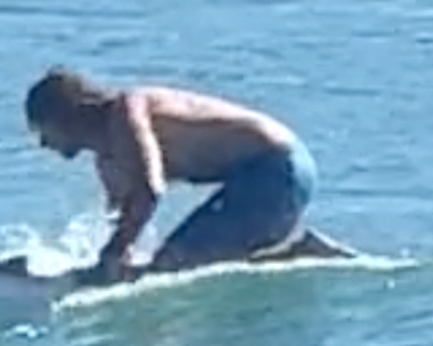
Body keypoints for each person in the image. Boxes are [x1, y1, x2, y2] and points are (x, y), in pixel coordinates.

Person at [23, 65, 337, 286]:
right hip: (260, 176)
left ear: (66, 115)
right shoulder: (107, 159)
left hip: (277, 169)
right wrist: (109, 259)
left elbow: (149, 190)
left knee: (172, 266)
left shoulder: (128, 112)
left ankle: (305, 256)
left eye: (42, 129)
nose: (43, 142)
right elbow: (125, 218)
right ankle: (301, 254)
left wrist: (113, 254)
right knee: (178, 264)